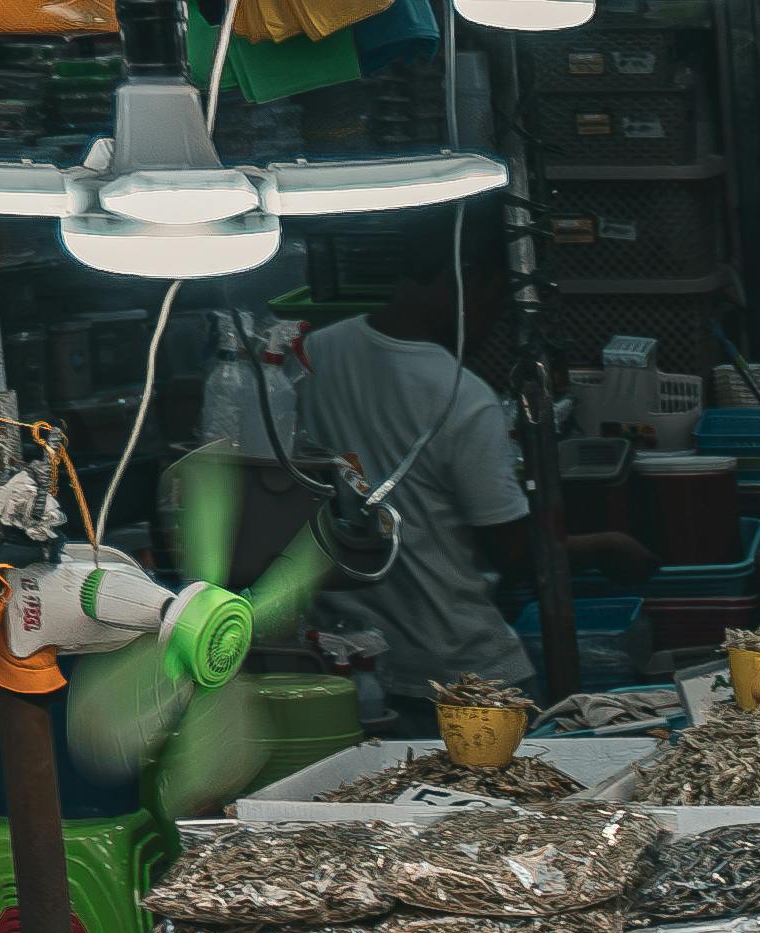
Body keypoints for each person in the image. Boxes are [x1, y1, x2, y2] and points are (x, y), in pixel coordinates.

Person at [196, 277, 547, 717]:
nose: (493, 320)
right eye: (491, 298)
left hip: (353, 660)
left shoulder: (315, 354)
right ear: (456, 279)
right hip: (463, 672)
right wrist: (593, 547)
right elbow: (512, 551)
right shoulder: (465, 395)